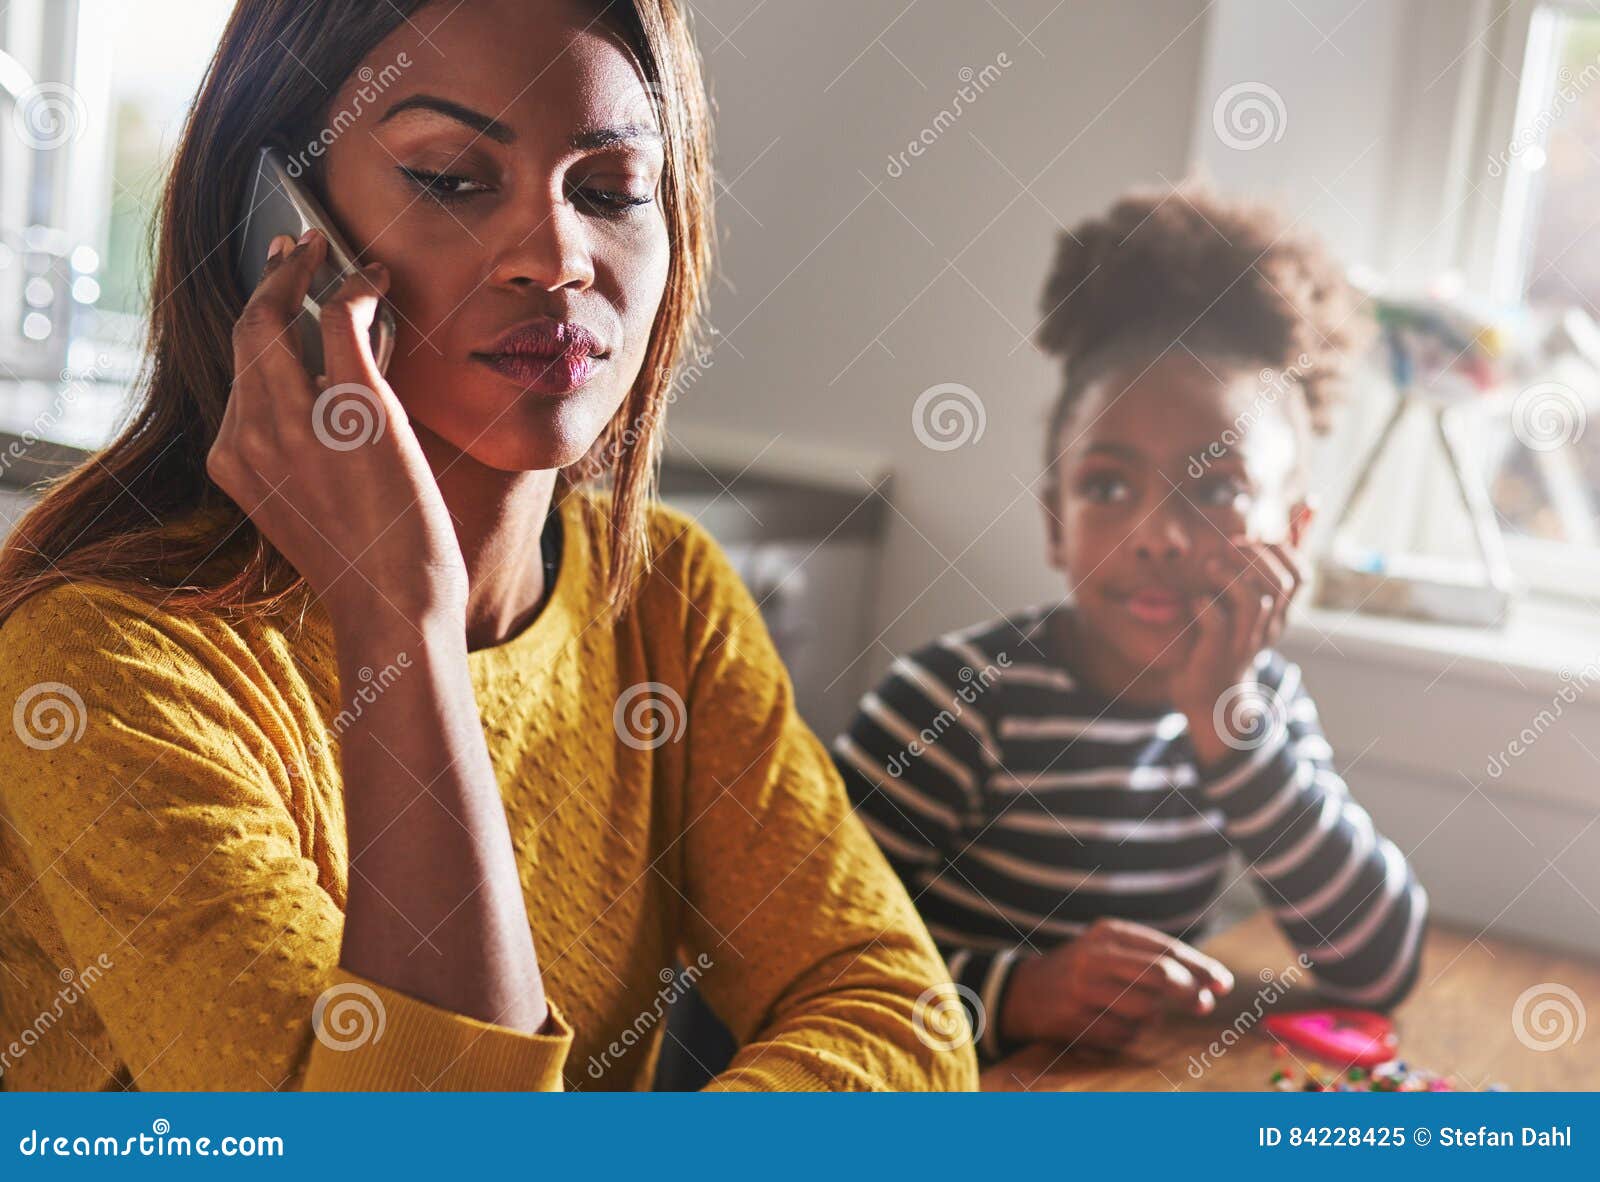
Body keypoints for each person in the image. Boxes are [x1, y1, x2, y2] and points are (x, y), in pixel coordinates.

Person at [0, 0, 975, 1093]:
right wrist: (399, 620)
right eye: (451, 179)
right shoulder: (105, 665)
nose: (557, 258)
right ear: (274, 222)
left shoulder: (662, 594)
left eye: (609, 193)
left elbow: (902, 1017)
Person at [833, 185, 1428, 1066]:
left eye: (1218, 489)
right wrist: (1021, 993)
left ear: (1294, 536)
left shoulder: (1259, 710)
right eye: (1109, 487)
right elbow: (801, 958)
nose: (1158, 537)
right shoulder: (954, 706)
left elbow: (1378, 968)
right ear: (1055, 525)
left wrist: (1231, 730)